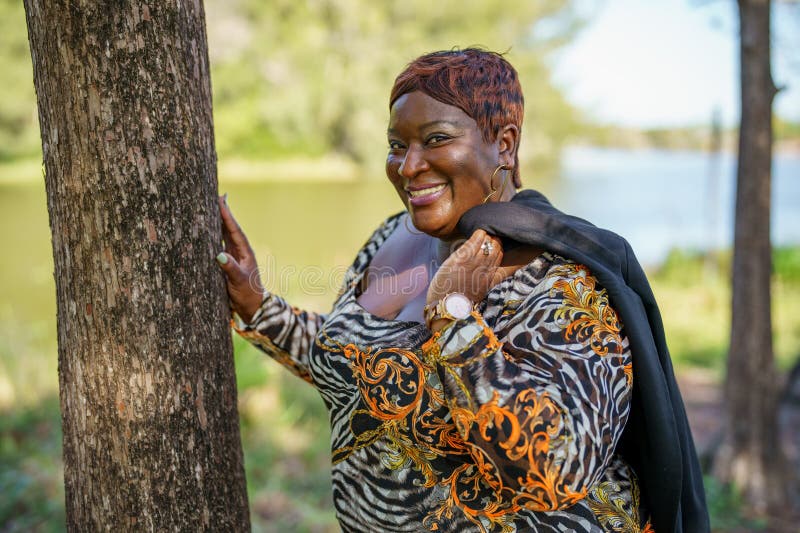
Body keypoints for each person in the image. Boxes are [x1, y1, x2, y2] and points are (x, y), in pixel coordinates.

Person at [216, 49, 709, 533]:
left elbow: (557, 468)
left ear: (506, 145)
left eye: (436, 139)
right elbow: (362, 364)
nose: (408, 166)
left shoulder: (565, 279)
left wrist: (453, 319)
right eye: (396, 145)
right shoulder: (395, 236)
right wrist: (260, 308)